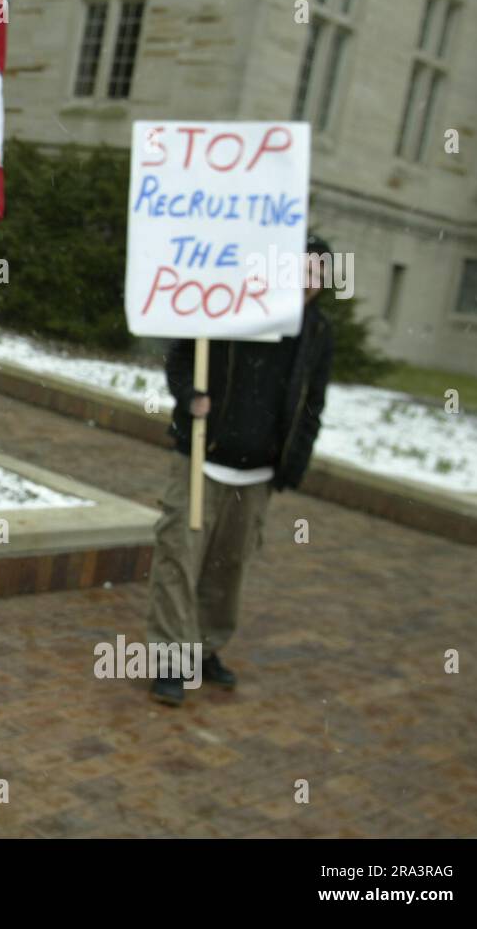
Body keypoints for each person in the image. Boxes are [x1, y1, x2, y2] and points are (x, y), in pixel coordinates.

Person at [145, 235, 335, 706]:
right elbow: (181, 357)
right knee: (178, 556)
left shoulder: (318, 333)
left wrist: (293, 464)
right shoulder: (229, 305)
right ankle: (170, 659)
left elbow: (313, 404)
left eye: (317, 274)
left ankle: (206, 648)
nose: (308, 283)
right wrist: (190, 397)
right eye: (302, 270)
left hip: (256, 474)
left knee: (228, 567)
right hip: (202, 458)